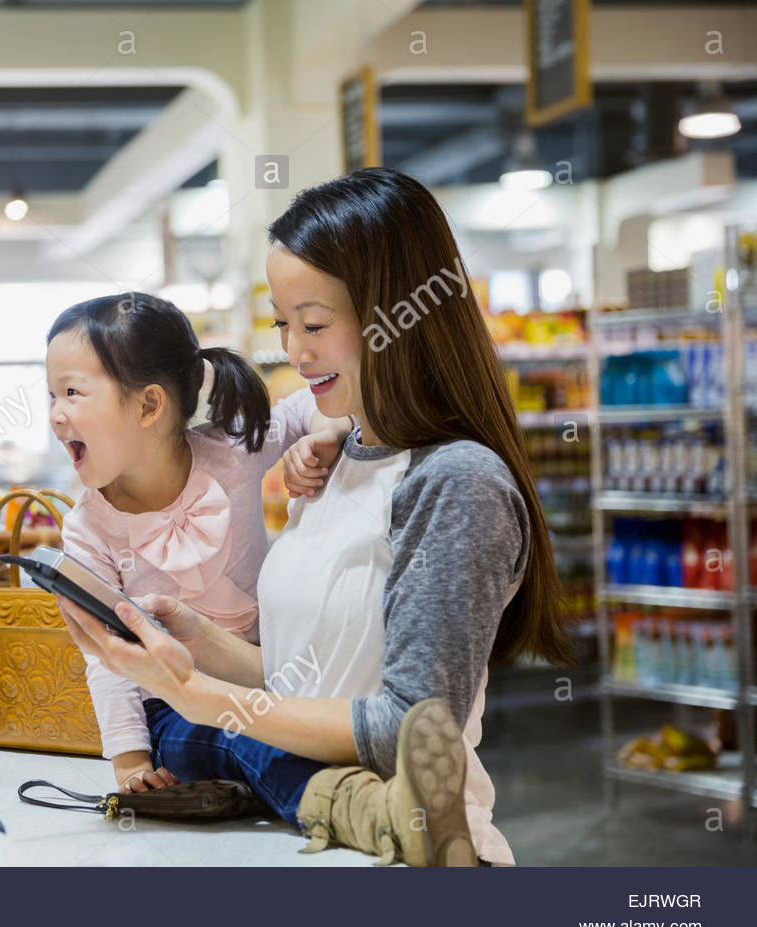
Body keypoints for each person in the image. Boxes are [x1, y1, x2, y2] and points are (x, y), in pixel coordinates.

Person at [58, 168, 572, 866]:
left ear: (398, 318)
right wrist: (196, 640)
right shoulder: (335, 459)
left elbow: (413, 727)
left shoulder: (457, 483)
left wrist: (201, 696)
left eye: (315, 324)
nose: (295, 351)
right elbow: (304, 685)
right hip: (309, 849)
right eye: (283, 324)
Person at [46, 291, 351, 792]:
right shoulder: (88, 529)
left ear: (148, 405)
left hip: (272, 674)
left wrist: (327, 434)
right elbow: (107, 659)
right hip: (171, 707)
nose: (57, 414)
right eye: (51, 396)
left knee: (307, 722)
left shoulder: (229, 451)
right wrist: (130, 763)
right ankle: (340, 801)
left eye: (72, 393)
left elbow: (308, 407)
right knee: (233, 740)